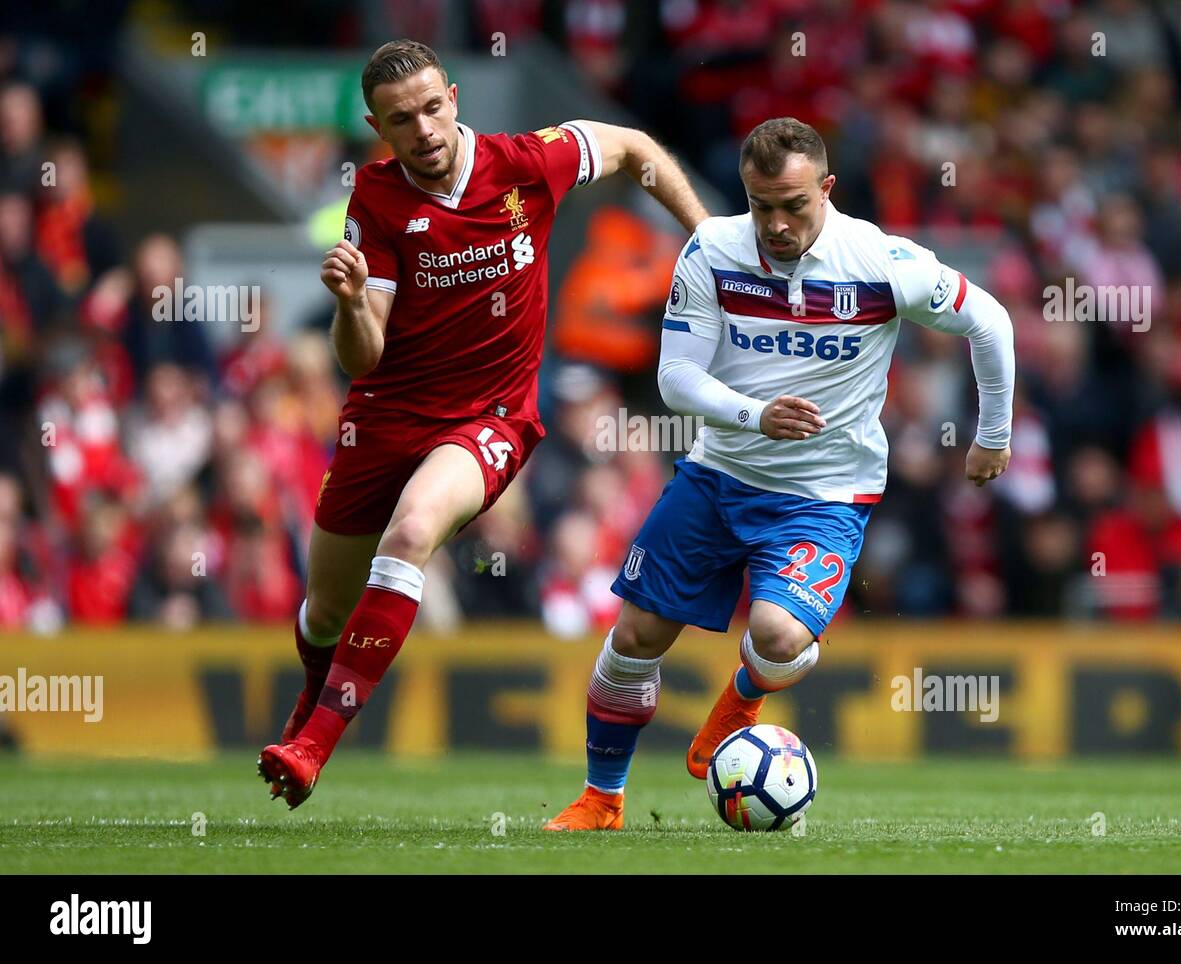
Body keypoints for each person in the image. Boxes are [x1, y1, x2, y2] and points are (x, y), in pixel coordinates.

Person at [259, 39, 709, 808]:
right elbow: (362, 356)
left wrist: (710, 240)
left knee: (411, 536)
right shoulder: (376, 200)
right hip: (385, 414)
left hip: (490, 416)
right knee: (325, 607)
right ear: (379, 126)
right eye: (403, 120)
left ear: (455, 99)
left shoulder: (529, 161)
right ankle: (312, 700)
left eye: (433, 108)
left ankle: (312, 745)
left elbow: (634, 147)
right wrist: (347, 299)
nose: (424, 130)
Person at [545, 117, 1015, 830]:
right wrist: (753, 415)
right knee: (636, 636)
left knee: (779, 635)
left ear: (826, 189)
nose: (776, 223)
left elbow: (991, 323)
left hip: (823, 493)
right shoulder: (712, 249)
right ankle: (600, 799)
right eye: (761, 204)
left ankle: (742, 696)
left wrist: (993, 436)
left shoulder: (882, 261)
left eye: (793, 205)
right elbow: (675, 377)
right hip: (718, 475)